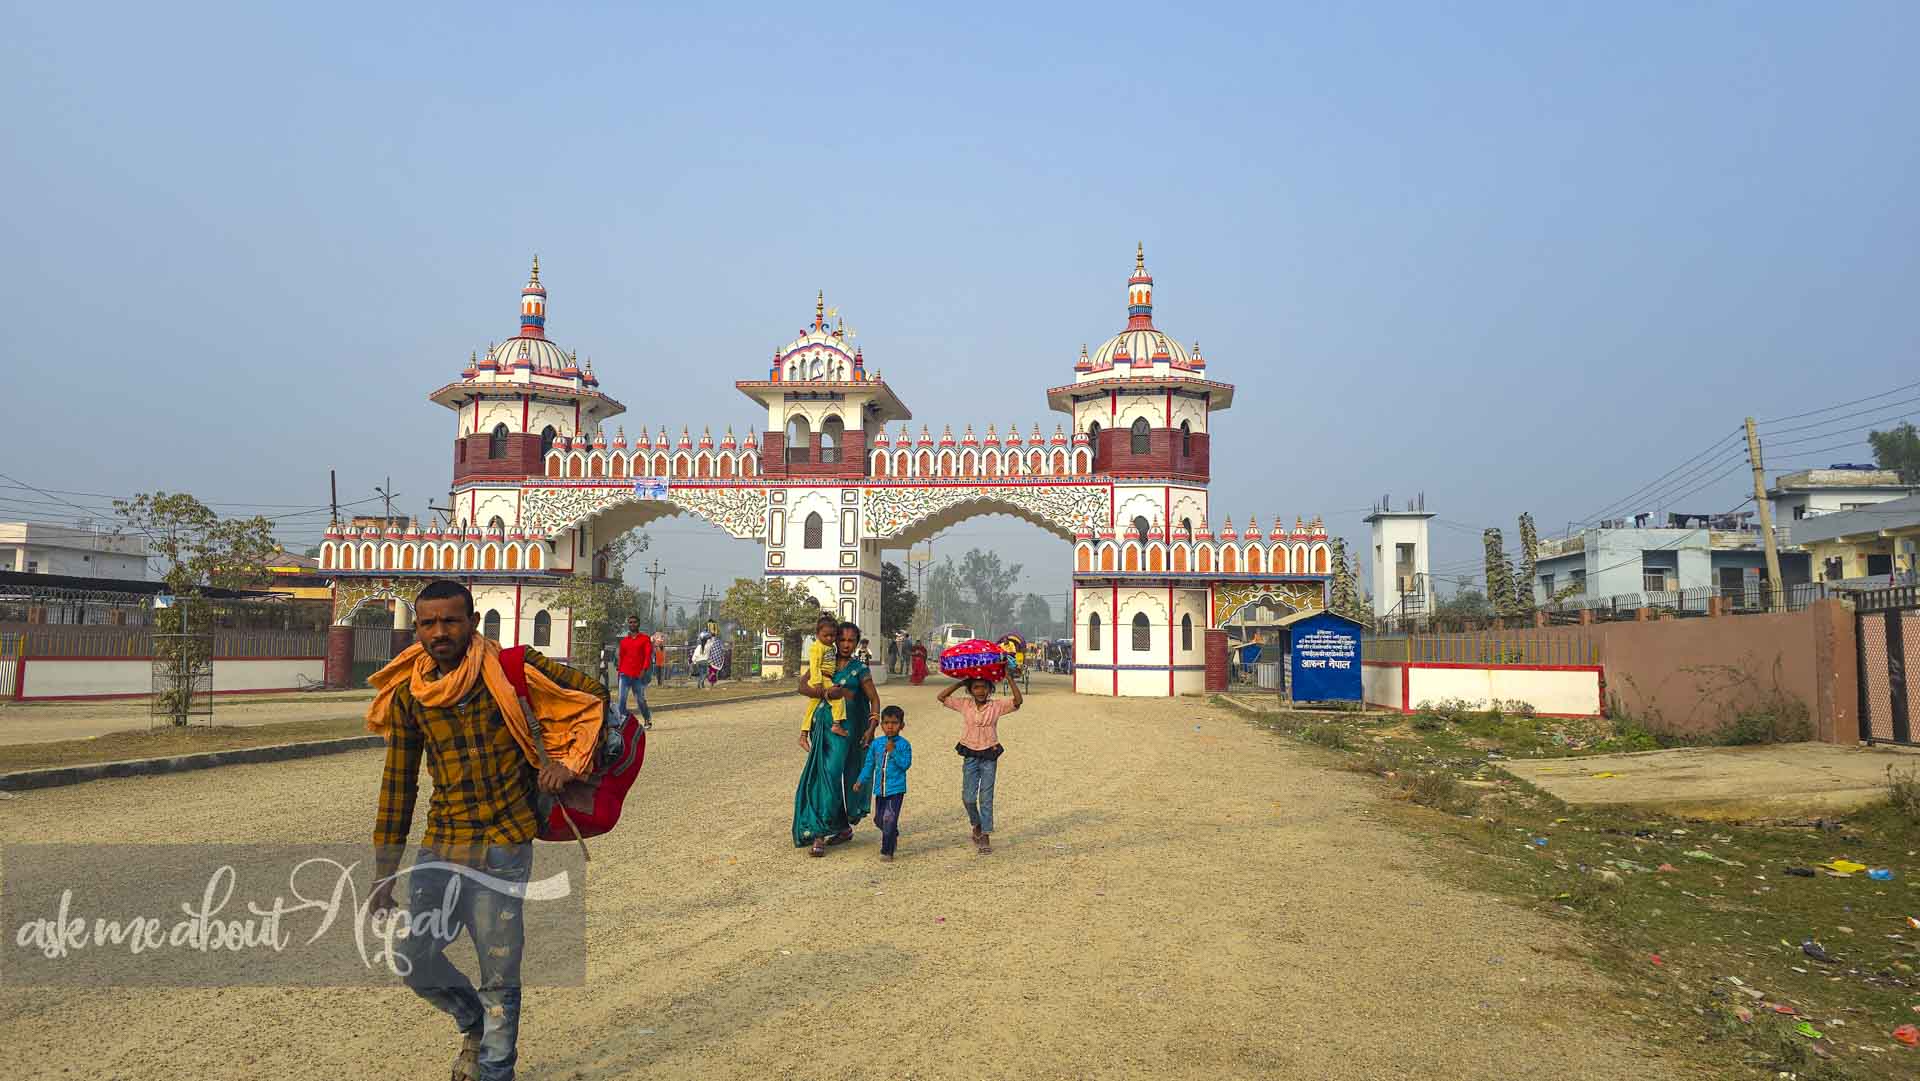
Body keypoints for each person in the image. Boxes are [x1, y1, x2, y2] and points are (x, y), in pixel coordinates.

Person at [365, 579, 608, 1081]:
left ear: (473, 622)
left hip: (506, 839)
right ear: (417, 629)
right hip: (444, 841)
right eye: (428, 623)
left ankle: (497, 1071)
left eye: (450, 620)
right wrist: (383, 872)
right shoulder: (412, 692)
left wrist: (569, 763)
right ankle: (471, 1023)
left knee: (499, 970)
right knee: (413, 956)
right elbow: (398, 784)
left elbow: (594, 696)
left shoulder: (512, 668)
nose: (439, 632)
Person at [793, 622, 879, 855]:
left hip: (847, 731)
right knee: (826, 777)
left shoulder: (859, 669)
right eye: (841, 639)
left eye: (851, 641)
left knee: (843, 776)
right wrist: (825, 692)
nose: (845, 644)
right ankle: (820, 834)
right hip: (823, 728)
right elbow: (802, 686)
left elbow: (874, 699)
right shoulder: (824, 662)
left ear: (856, 643)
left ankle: (842, 826)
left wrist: (872, 727)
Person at [937, 673, 1022, 855]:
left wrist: (1009, 678)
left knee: (986, 796)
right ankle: (976, 823)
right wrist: (960, 683)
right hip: (970, 753)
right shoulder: (965, 704)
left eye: (984, 687)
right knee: (968, 797)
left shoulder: (996, 706)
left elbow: (1017, 701)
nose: (980, 691)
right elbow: (941, 697)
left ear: (990, 689)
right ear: (971, 690)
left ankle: (985, 834)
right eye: (976, 687)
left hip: (990, 753)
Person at [853, 705, 911, 862]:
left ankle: (887, 851)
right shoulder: (876, 744)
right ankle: (893, 833)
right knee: (879, 819)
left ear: (901, 725)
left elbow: (905, 764)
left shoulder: (904, 745)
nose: (890, 726)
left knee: (889, 819)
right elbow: (869, 765)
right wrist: (860, 780)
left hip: (895, 790)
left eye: (894, 723)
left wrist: (893, 752)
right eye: (886, 723)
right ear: (882, 725)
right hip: (880, 790)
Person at [796, 612, 839, 747]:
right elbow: (814, 666)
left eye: (832, 635)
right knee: (838, 699)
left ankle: (803, 735)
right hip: (821, 678)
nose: (829, 638)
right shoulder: (817, 647)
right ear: (817, 635)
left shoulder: (831, 647)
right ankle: (837, 724)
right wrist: (817, 683)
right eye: (825, 635)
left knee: (811, 707)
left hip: (827, 677)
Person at [615, 615, 654, 729]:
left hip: (638, 675)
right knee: (621, 700)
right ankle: (622, 723)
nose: (632, 624)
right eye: (630, 622)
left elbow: (647, 656)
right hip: (624, 675)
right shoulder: (624, 642)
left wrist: (644, 669)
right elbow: (621, 658)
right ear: (628, 624)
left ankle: (647, 719)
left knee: (640, 700)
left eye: (635, 622)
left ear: (639, 624)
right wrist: (619, 673)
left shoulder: (645, 639)